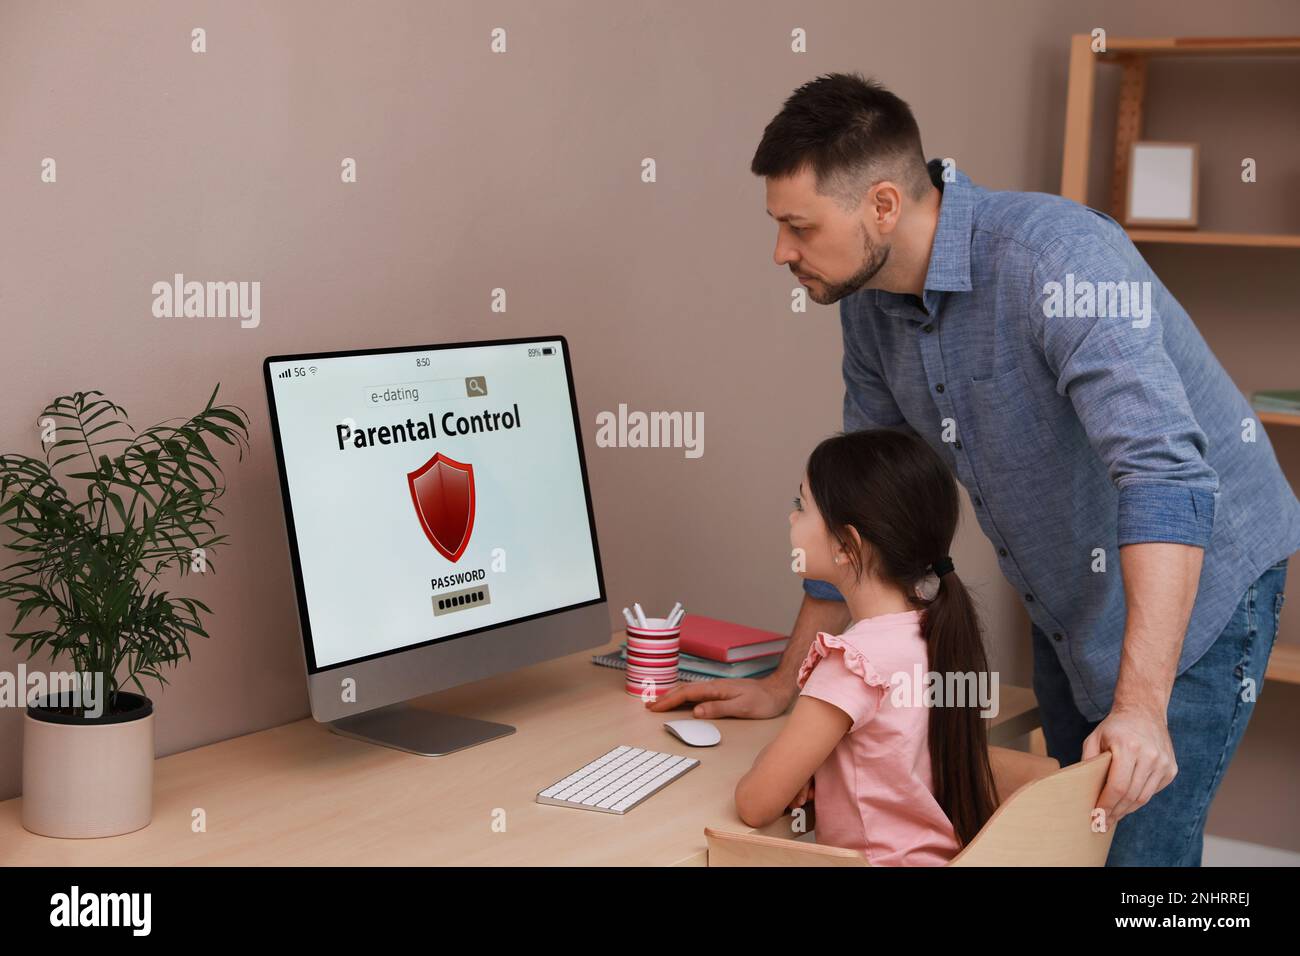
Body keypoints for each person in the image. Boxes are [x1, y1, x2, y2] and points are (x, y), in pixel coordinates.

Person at [651, 72, 1299, 866]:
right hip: (1076, 589)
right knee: (1061, 843)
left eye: (798, 226)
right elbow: (862, 513)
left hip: (1202, 576)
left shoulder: (1058, 261)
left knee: (1137, 860)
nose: (781, 251)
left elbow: (1165, 478)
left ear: (882, 205)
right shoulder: (870, 305)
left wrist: (1139, 707)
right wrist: (787, 683)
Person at [734, 429, 997, 864]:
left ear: (846, 545)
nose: (791, 518)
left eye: (802, 505)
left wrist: (778, 765)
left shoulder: (852, 662)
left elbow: (755, 803)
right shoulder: (936, 630)